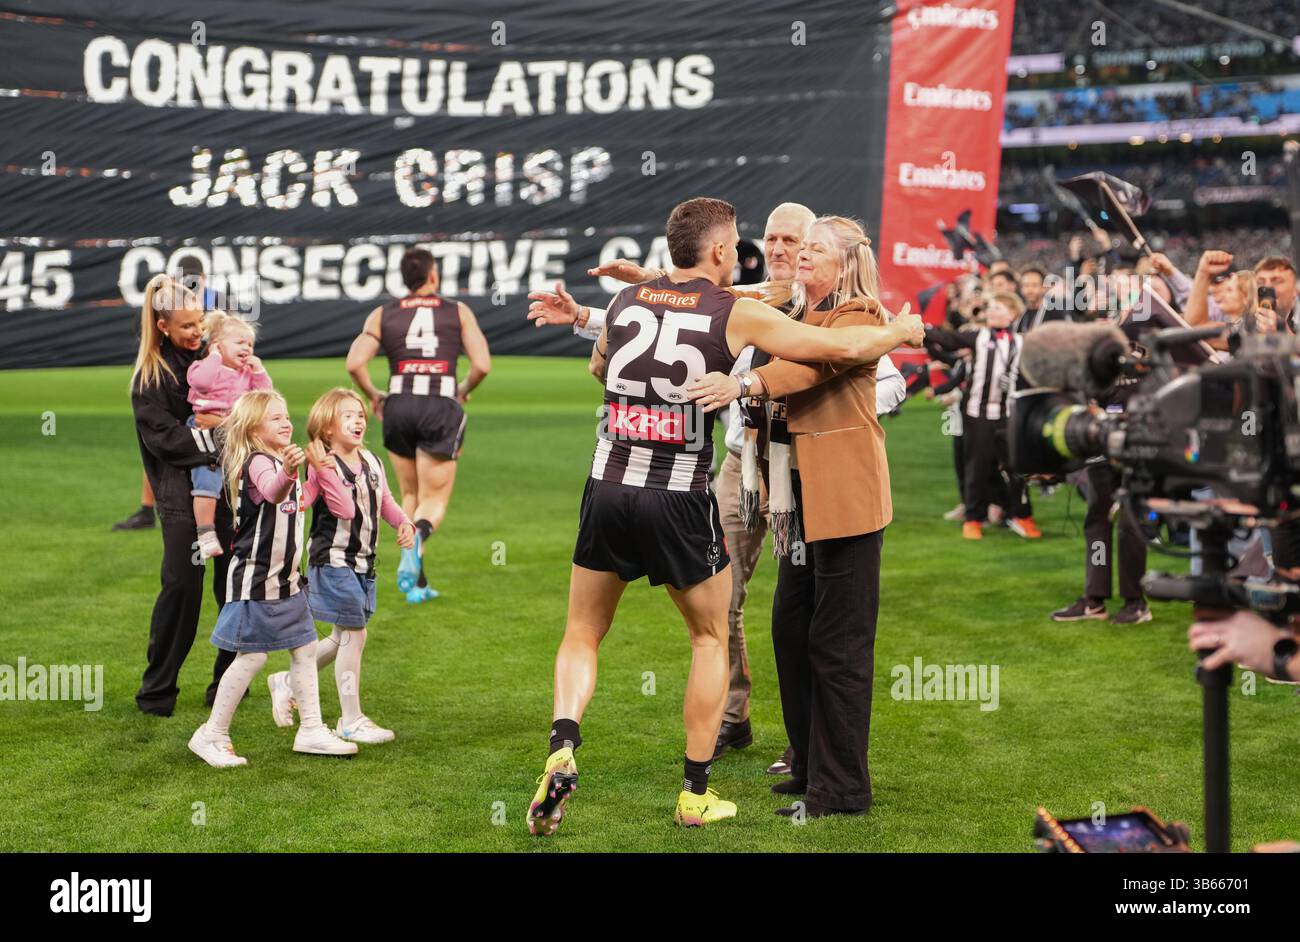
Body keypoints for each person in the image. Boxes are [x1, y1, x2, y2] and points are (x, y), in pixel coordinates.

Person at [526, 197, 923, 836]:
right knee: (711, 636)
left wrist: (613, 311)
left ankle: (564, 741)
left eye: (807, 244)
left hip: (607, 485)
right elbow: (822, 344)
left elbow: (606, 362)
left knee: (582, 631)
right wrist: (902, 332)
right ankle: (695, 790)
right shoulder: (741, 310)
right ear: (718, 252)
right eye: (748, 239)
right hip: (682, 494)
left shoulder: (635, 302)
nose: (782, 252)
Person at [687, 216, 898, 817]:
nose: (802, 255)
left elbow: (808, 370)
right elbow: (715, 294)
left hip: (847, 501)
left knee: (840, 644)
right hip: (797, 499)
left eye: (817, 249)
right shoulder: (796, 309)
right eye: (802, 246)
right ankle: (808, 763)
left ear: (848, 262)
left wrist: (744, 383)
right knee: (791, 628)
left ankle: (843, 787)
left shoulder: (860, 316)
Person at [189, 389, 358, 766]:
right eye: (276, 418)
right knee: (251, 658)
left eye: (286, 416)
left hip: (287, 582)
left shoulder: (283, 464)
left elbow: (308, 500)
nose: (286, 422)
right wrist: (289, 471)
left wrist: (321, 471)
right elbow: (271, 490)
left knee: (305, 650)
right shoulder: (258, 463)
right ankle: (211, 734)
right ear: (253, 427)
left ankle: (312, 729)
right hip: (256, 581)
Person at [265, 388, 416, 743]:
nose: (358, 420)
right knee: (355, 635)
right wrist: (316, 470)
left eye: (360, 414)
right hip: (332, 562)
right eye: (347, 415)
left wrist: (404, 522)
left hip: (364, 563)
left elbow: (385, 501)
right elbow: (308, 504)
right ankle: (351, 719)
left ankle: (286, 681)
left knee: (341, 636)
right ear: (327, 429)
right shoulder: (323, 467)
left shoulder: (373, 462)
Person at [345, 248, 491, 603]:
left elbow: (354, 363)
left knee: (409, 494)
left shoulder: (383, 313)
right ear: (433, 276)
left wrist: (375, 396)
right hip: (438, 404)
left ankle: (419, 584)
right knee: (434, 499)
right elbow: (482, 365)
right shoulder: (457, 311)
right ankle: (419, 539)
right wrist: (462, 390)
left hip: (398, 405)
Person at [130, 274, 233, 716]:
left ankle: (229, 683)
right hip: (178, 496)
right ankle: (157, 692)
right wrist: (218, 437)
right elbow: (165, 441)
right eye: (187, 325)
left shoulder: (218, 355)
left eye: (200, 322)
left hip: (228, 489)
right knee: (182, 589)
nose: (196, 331)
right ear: (164, 325)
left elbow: (251, 405)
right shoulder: (150, 375)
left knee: (236, 587)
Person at [926, 293, 1041, 540]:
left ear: (1012, 313)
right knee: (976, 467)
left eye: (998, 307)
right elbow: (949, 339)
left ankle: (1021, 515)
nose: (991, 311)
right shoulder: (978, 336)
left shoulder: (1022, 343)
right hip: (977, 413)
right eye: (991, 307)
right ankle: (973, 518)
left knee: (1015, 468)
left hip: (1006, 414)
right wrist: (921, 329)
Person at [185, 312, 272, 559]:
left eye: (250, 344)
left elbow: (265, 400)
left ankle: (242, 528)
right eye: (239, 342)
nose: (246, 348)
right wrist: (213, 356)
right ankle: (205, 532)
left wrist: (259, 372)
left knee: (240, 484)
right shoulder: (204, 367)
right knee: (207, 483)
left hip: (235, 435)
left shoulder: (247, 374)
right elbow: (201, 384)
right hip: (206, 433)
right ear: (216, 344)